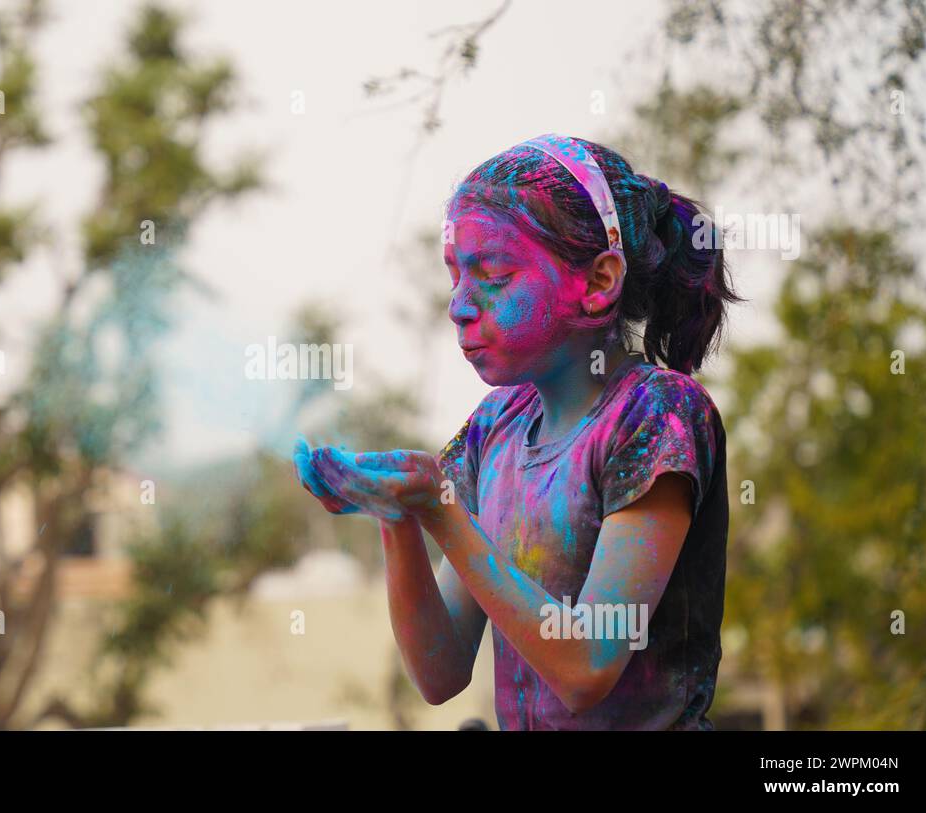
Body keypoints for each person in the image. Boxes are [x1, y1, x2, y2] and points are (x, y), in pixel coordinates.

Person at [294, 134, 739, 729]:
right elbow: (441, 671)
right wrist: (398, 515)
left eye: (494, 274)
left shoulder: (657, 416)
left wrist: (442, 508)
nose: (459, 306)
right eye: (455, 276)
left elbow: (587, 665)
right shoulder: (494, 428)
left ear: (599, 282)